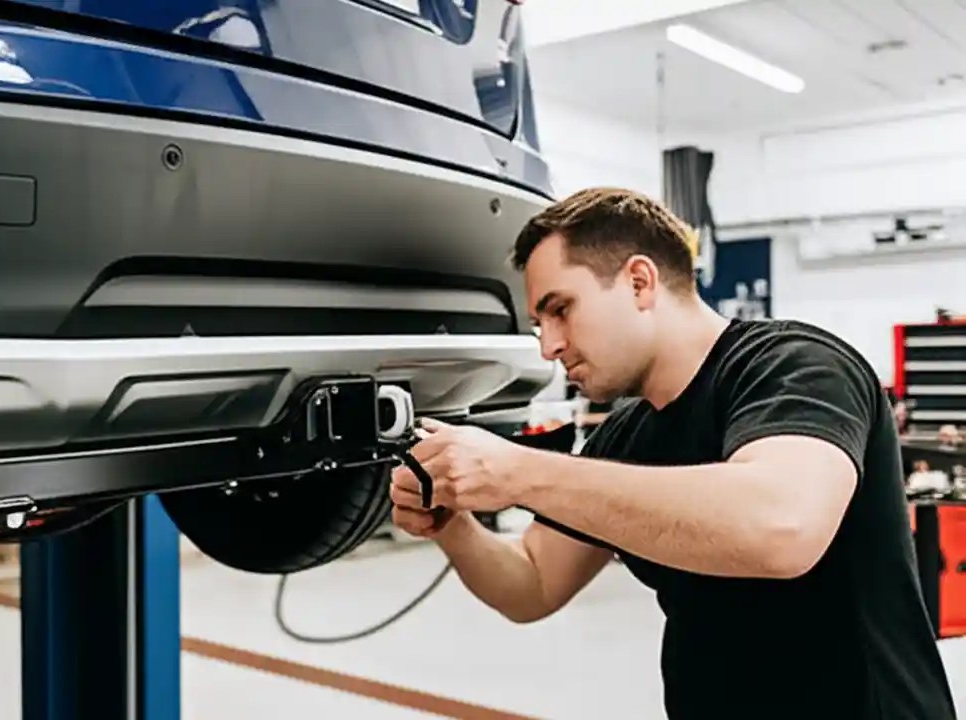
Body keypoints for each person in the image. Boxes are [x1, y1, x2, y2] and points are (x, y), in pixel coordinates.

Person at [389, 187, 956, 720]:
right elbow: (533, 583)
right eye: (540, 323)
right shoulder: (626, 435)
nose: (549, 345)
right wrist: (453, 523)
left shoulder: (796, 366)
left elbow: (779, 529)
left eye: (561, 310)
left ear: (639, 281)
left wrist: (520, 472)